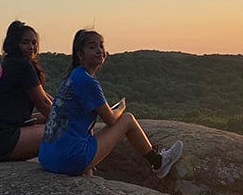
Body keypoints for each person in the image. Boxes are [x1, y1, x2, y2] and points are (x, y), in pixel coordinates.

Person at [38, 29, 183, 178]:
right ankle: (158, 162)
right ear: (80, 55)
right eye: (92, 47)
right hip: (69, 160)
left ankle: (87, 168)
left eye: (101, 46)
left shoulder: (71, 78)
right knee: (128, 119)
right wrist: (121, 107)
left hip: (48, 158)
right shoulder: (88, 82)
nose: (99, 51)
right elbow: (111, 119)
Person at [0, 20, 54, 161]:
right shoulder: (21, 64)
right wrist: (70, 124)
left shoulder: (9, 62)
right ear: (15, 44)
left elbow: (44, 96)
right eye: (25, 43)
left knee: (61, 118)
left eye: (34, 43)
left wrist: (66, 110)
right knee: (63, 132)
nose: (31, 47)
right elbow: (44, 103)